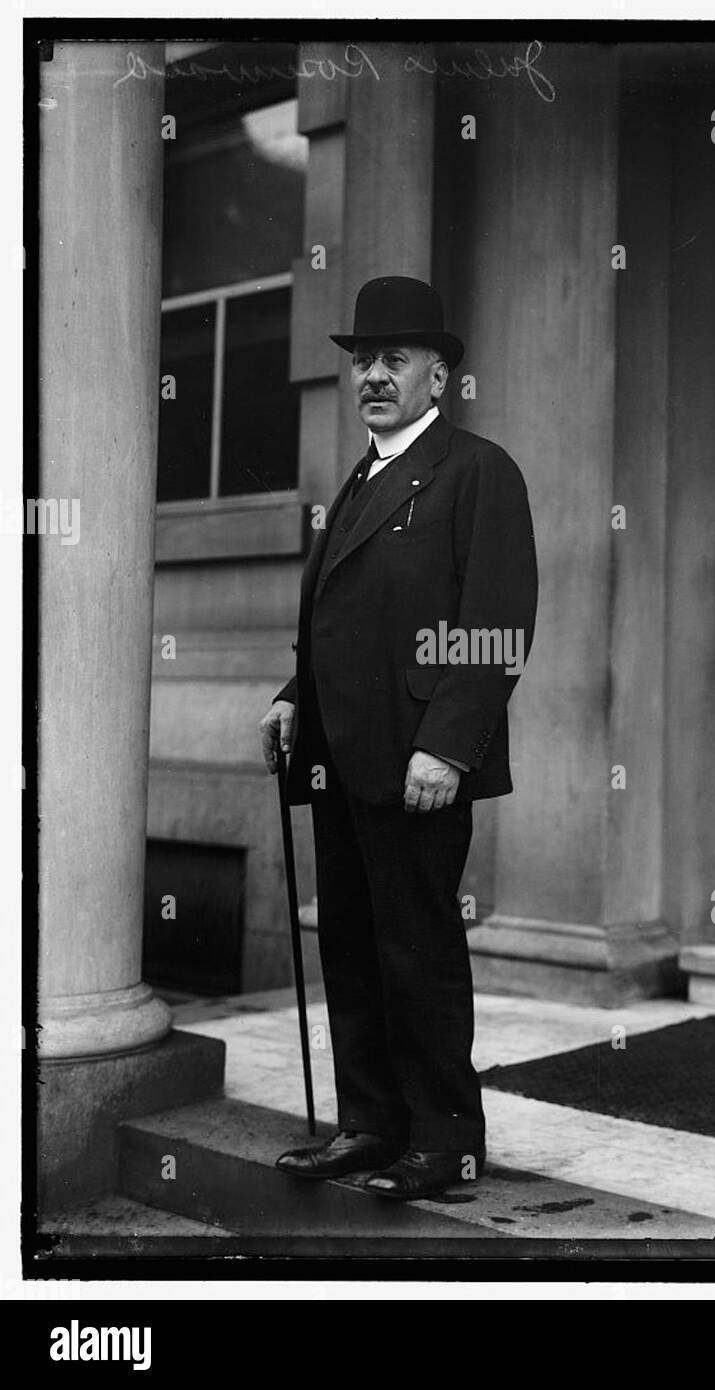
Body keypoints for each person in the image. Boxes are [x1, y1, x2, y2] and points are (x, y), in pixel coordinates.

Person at [259, 276, 538, 1200]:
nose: (374, 376)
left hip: (419, 757)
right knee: (351, 942)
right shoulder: (361, 478)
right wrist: (296, 694)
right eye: (363, 362)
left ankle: (446, 1141)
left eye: (396, 360)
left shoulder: (475, 470)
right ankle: (371, 1125)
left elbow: (496, 624)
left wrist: (448, 746)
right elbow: (346, 617)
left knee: (417, 950)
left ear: (439, 376)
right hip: (341, 753)